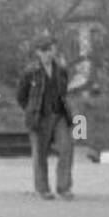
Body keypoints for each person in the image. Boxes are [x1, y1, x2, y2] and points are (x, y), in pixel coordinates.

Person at [16, 34, 75, 200]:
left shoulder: (61, 70)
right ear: (38, 52)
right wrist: (31, 111)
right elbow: (21, 96)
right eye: (46, 51)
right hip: (39, 118)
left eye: (51, 50)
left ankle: (64, 188)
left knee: (67, 148)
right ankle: (42, 189)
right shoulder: (30, 72)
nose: (49, 53)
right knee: (40, 154)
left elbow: (64, 92)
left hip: (59, 116)